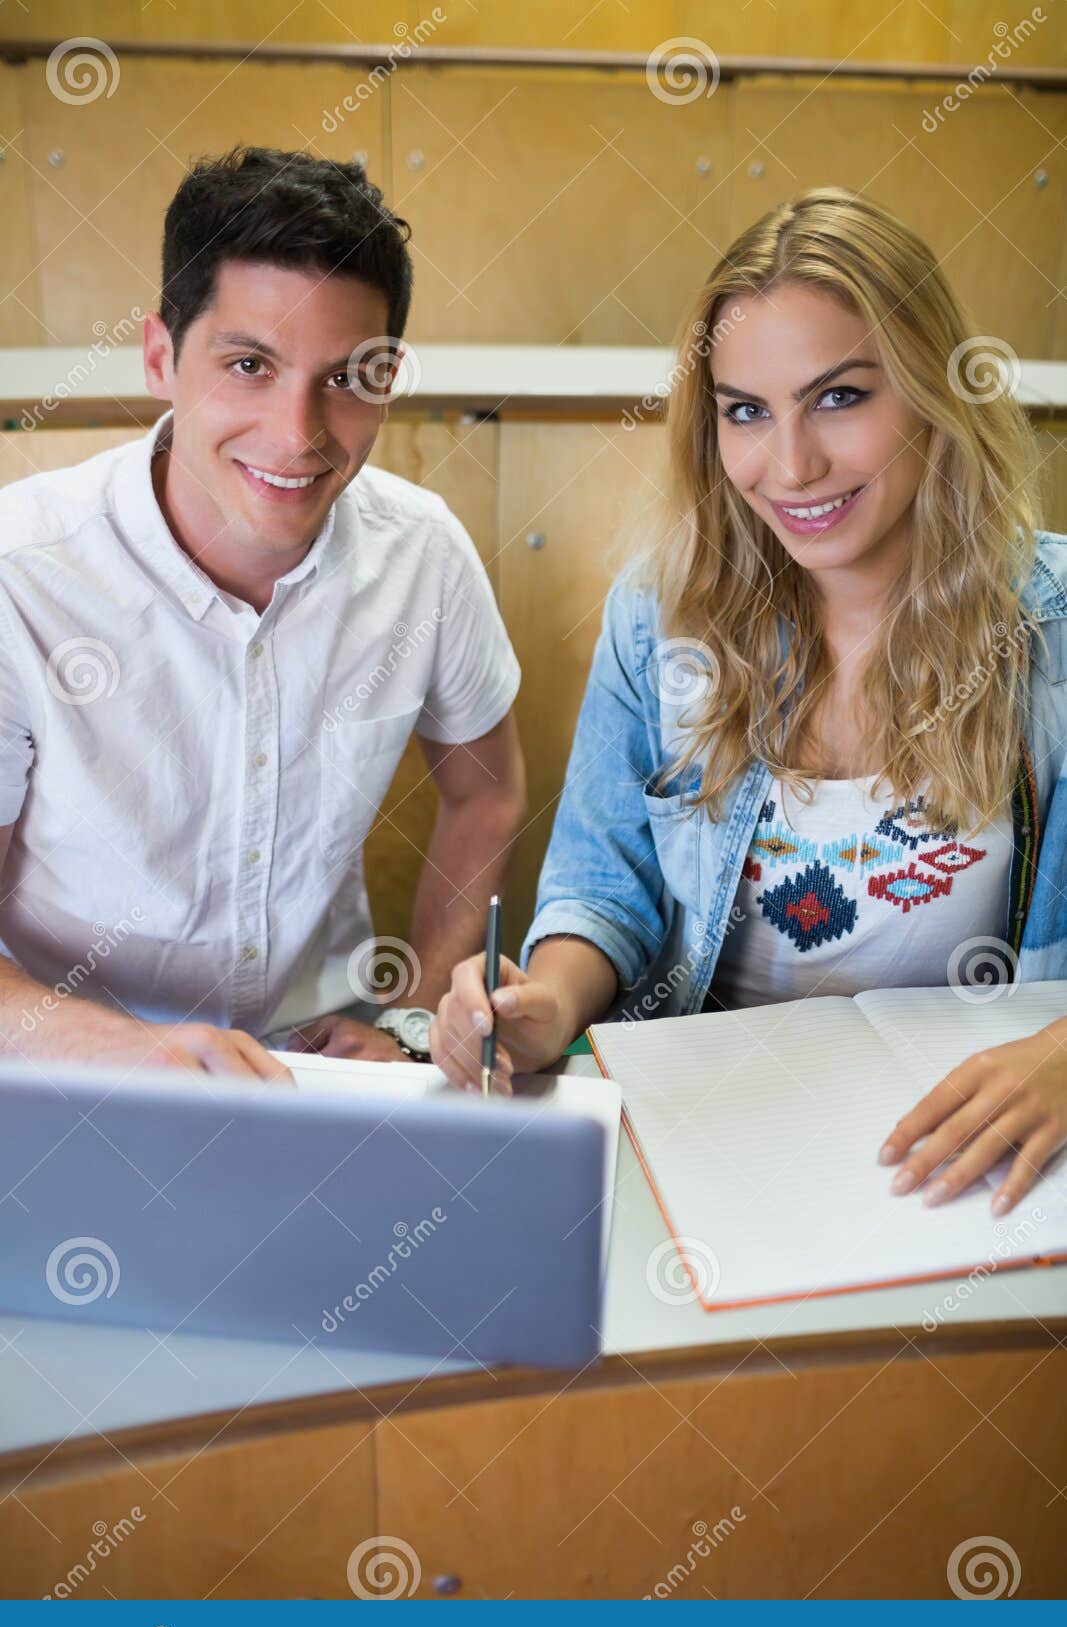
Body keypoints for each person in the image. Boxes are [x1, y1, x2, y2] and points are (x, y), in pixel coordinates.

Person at [432, 185, 1067, 1217]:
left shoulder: (1053, 624)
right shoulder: (657, 619)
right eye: (744, 412)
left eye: (840, 397)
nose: (789, 466)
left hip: (978, 1155)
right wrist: (542, 1003)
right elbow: (607, 889)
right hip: (721, 1135)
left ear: (931, 393)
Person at [0, 147, 525, 1080]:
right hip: (63, 1067)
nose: (298, 433)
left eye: (346, 377)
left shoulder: (425, 555)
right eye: (249, 364)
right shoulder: (19, 576)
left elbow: (486, 792)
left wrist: (411, 1018)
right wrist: (139, 1052)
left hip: (318, 1064)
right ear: (161, 356)